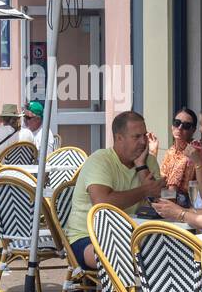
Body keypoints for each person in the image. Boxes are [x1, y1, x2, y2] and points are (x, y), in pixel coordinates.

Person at [64, 110, 162, 270]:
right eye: (136, 137)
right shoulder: (100, 159)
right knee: (121, 257)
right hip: (87, 237)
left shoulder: (147, 161)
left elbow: (158, 202)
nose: (143, 142)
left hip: (129, 235)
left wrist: (141, 166)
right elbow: (102, 203)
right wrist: (145, 190)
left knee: (168, 251)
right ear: (119, 138)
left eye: (144, 135)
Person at [156, 106, 202, 205]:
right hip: (167, 203)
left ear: (193, 130)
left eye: (186, 126)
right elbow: (161, 181)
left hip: (183, 207)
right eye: (177, 123)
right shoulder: (171, 150)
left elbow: (172, 192)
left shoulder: (193, 150)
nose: (180, 128)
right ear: (172, 125)